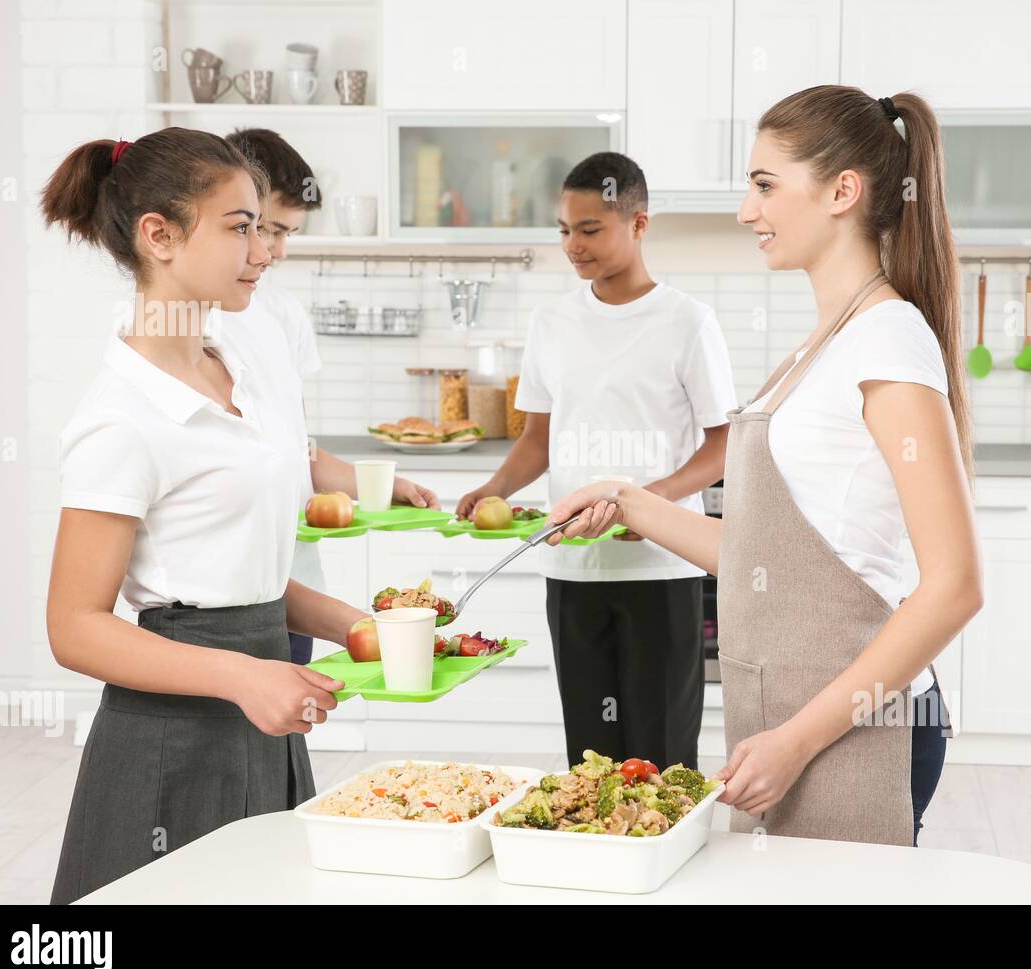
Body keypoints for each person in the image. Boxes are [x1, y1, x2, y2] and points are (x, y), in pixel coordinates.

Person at [547, 88, 983, 847]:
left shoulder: (888, 341)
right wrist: (627, 499)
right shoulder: (821, 345)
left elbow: (955, 588)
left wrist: (798, 740)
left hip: (857, 730)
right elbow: (766, 564)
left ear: (843, 191)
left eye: (764, 185)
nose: (747, 211)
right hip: (787, 720)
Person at [40, 127, 363, 903]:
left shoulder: (241, 368)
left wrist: (358, 624)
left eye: (263, 226)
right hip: (173, 738)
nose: (265, 249)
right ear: (160, 235)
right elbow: (74, 626)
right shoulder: (122, 422)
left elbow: (241, 575)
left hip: (261, 701)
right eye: (240, 227)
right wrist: (242, 677)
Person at [457, 152, 736, 770]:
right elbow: (537, 439)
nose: (573, 246)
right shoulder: (551, 322)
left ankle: (667, 860)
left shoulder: (688, 322)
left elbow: (724, 444)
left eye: (590, 230)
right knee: (590, 753)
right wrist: (493, 487)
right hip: (574, 570)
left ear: (638, 225)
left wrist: (650, 502)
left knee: (661, 755)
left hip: (662, 569)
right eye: (564, 230)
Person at [219, 128, 438, 665]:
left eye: (285, 233)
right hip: (227, 592)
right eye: (263, 229)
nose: (276, 250)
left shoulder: (283, 315)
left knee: (286, 742)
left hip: (297, 585)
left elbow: (300, 453)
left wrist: (383, 487)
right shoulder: (187, 321)